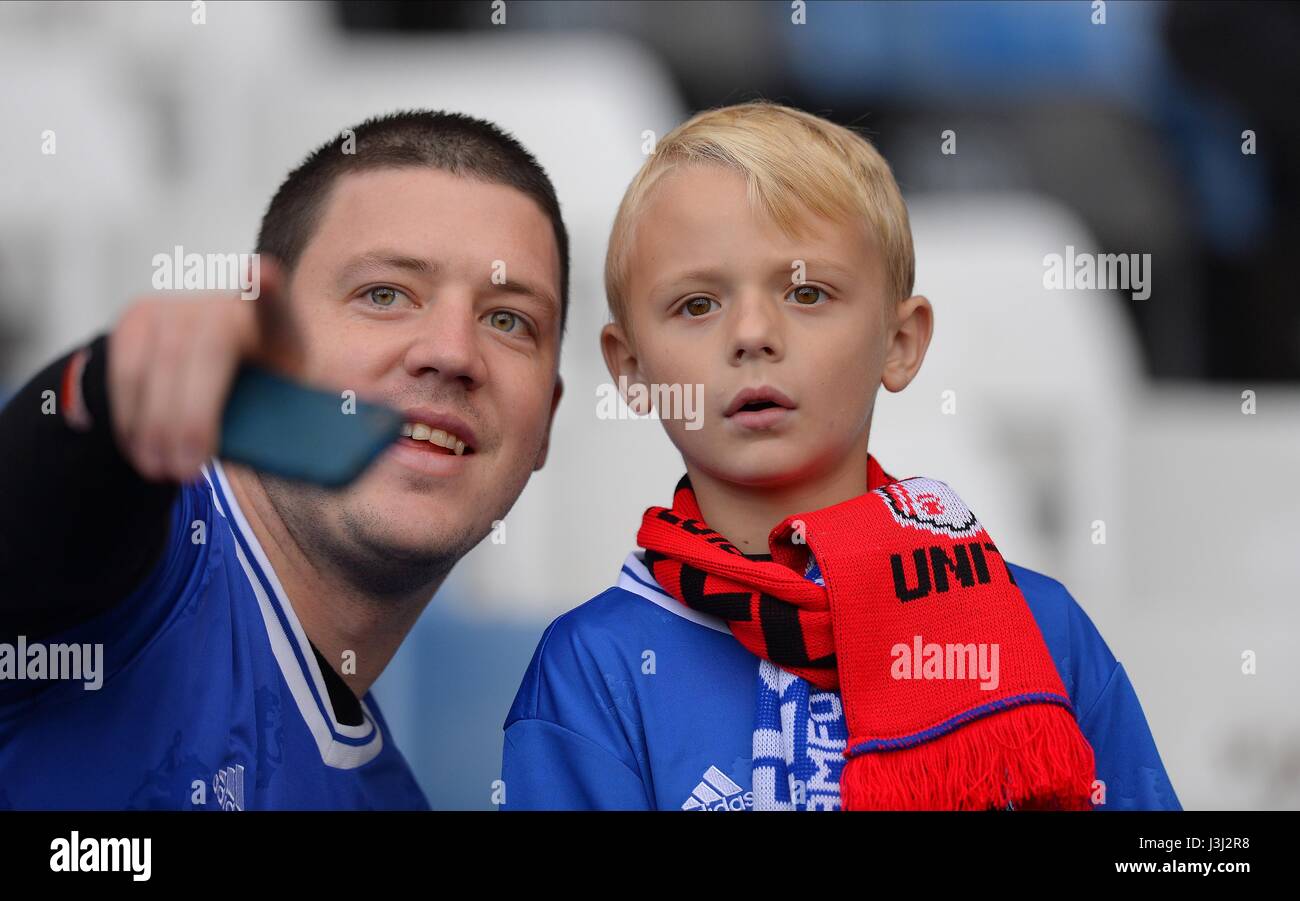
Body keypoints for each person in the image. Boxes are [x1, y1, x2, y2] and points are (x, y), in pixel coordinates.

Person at [499, 101, 1180, 811]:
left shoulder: (1037, 626)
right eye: (698, 304)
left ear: (900, 341)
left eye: (806, 292)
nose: (753, 333)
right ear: (631, 367)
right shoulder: (592, 667)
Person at [0, 110, 567, 810]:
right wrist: (104, 388)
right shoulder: (155, 557)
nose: (452, 352)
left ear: (548, 420)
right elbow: (39, 509)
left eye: (509, 318)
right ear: (264, 344)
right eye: (384, 294)